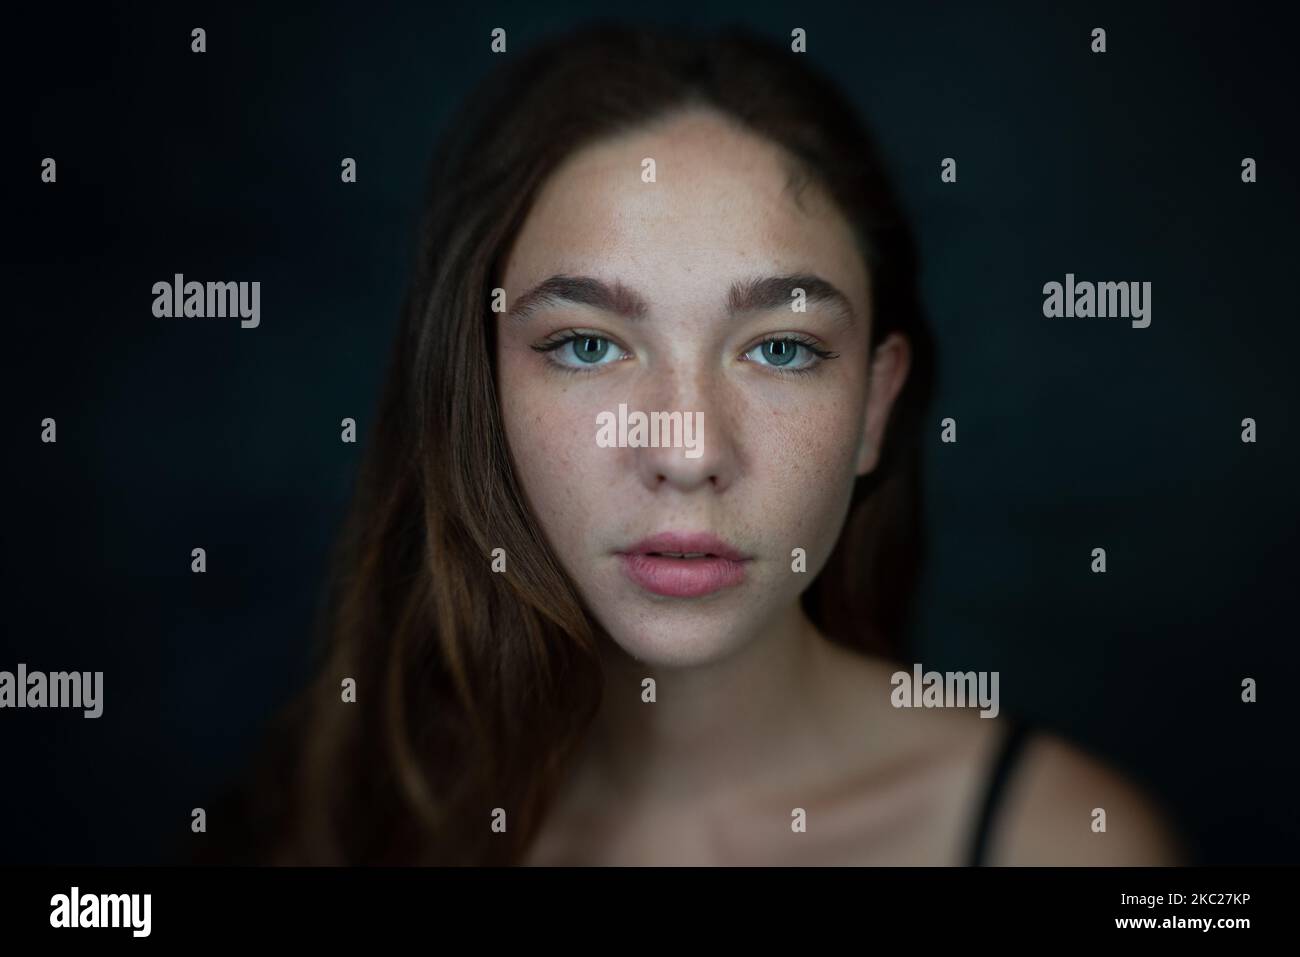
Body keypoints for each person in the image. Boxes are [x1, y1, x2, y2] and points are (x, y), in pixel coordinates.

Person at [192, 23, 1185, 867]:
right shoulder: (342, 816)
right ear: (480, 385)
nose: (686, 449)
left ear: (875, 405)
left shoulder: (1051, 844)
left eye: (781, 349)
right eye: (587, 345)